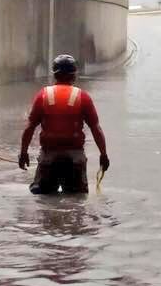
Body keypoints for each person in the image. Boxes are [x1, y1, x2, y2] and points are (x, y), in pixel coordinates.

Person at [19, 54, 110, 194]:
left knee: (43, 199)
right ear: (74, 75)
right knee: (77, 199)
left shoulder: (43, 95)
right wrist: (103, 155)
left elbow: (30, 127)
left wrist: (23, 153)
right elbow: (95, 128)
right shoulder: (83, 97)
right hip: (75, 159)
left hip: (48, 158)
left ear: (54, 75)